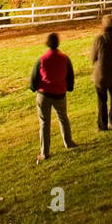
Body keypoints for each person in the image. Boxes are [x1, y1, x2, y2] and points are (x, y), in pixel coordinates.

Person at [28, 32, 76, 162]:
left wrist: (34, 88)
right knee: (63, 118)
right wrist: (69, 87)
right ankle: (68, 142)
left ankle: (45, 152)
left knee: (44, 123)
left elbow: (34, 77)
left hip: (44, 94)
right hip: (60, 93)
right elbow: (70, 75)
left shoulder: (42, 59)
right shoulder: (65, 58)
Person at [91, 16, 112, 131]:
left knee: (102, 101)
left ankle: (102, 124)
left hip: (101, 75)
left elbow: (93, 57)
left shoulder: (99, 39)